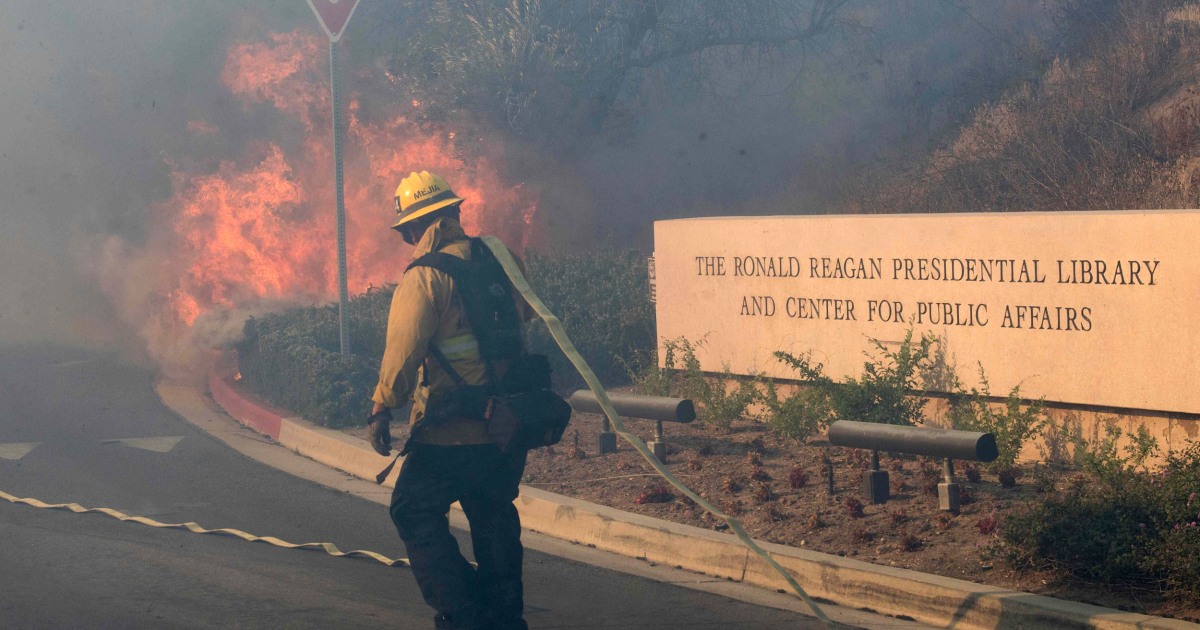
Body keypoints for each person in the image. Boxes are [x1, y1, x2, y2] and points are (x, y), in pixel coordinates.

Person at [367, 171, 530, 630]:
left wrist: (383, 406)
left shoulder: (425, 277)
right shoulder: (502, 257)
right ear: (455, 214)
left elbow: (403, 351)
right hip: (505, 424)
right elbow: (528, 315)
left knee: (413, 510)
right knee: (494, 516)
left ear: (416, 228)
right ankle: (505, 617)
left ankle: (463, 611)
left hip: (449, 431)